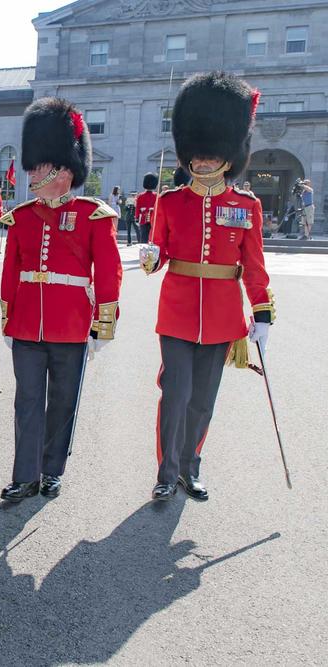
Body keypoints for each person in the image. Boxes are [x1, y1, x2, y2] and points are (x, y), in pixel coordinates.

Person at [140, 71, 273, 502]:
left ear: (228, 155)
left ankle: (190, 466)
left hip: (221, 316)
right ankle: (167, 470)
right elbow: (159, 253)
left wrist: (263, 315)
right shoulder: (170, 201)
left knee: (202, 401)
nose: (200, 161)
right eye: (194, 155)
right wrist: (150, 257)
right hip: (177, 311)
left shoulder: (246, 205)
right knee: (175, 394)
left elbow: (253, 266)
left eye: (209, 154)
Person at [0, 97, 123, 502]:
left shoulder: (93, 216)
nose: (32, 172)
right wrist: (7, 318)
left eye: (41, 166)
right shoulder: (21, 217)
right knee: (27, 403)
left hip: (71, 325)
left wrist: (103, 325)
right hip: (26, 326)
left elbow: (107, 273)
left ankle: (52, 469)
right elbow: (10, 273)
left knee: (62, 404)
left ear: (65, 171)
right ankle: (25, 474)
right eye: (33, 165)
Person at [135, 172, 159, 244]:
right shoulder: (157, 196)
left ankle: (143, 254)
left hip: (143, 219)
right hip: (154, 220)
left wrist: (136, 218)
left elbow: (137, 208)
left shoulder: (140, 196)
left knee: (144, 239)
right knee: (153, 239)